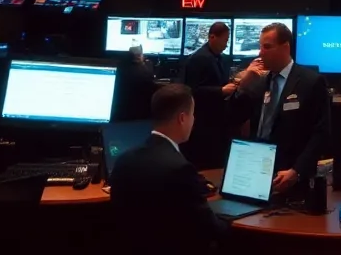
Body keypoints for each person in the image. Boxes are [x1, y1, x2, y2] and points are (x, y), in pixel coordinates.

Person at [109, 83, 228, 250]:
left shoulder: (124, 160)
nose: (194, 120)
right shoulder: (180, 169)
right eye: (192, 114)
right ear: (182, 118)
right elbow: (209, 228)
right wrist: (231, 222)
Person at [231, 22, 329, 195]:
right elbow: (233, 116)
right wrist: (242, 85)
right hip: (257, 168)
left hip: (290, 174)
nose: (260, 53)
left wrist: (297, 170)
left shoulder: (310, 82)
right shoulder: (260, 81)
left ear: (285, 47)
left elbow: (322, 133)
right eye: (260, 47)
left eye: (267, 47)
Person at [181, 22, 236, 169]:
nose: (226, 44)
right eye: (224, 40)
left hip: (219, 119)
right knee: (204, 160)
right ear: (212, 37)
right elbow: (191, 89)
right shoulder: (198, 59)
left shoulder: (221, 58)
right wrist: (220, 91)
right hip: (203, 121)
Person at [114, 44, 156, 120]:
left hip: (121, 115)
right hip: (141, 116)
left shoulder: (120, 68)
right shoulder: (145, 70)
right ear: (139, 56)